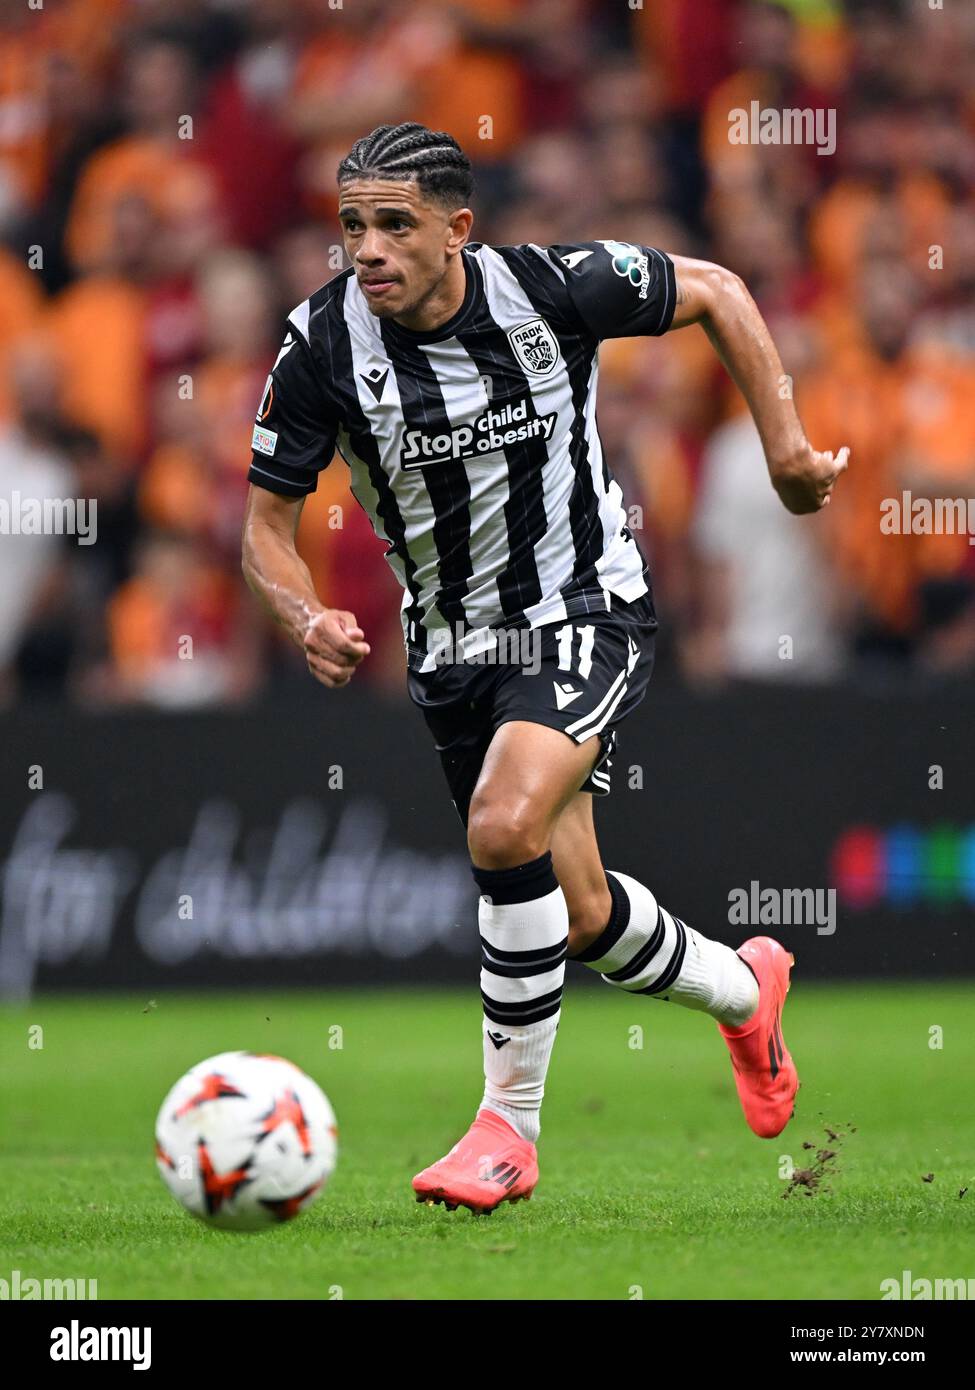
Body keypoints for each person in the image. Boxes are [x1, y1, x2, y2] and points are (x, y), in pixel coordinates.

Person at [241, 122, 848, 1214]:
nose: (366, 250)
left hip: (582, 608)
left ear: (457, 230)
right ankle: (743, 988)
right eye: (350, 228)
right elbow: (264, 529)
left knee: (502, 825)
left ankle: (504, 1133)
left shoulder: (553, 288)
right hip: (450, 649)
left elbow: (716, 289)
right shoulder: (320, 347)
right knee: (577, 916)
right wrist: (302, 613)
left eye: (394, 225)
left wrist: (787, 451)